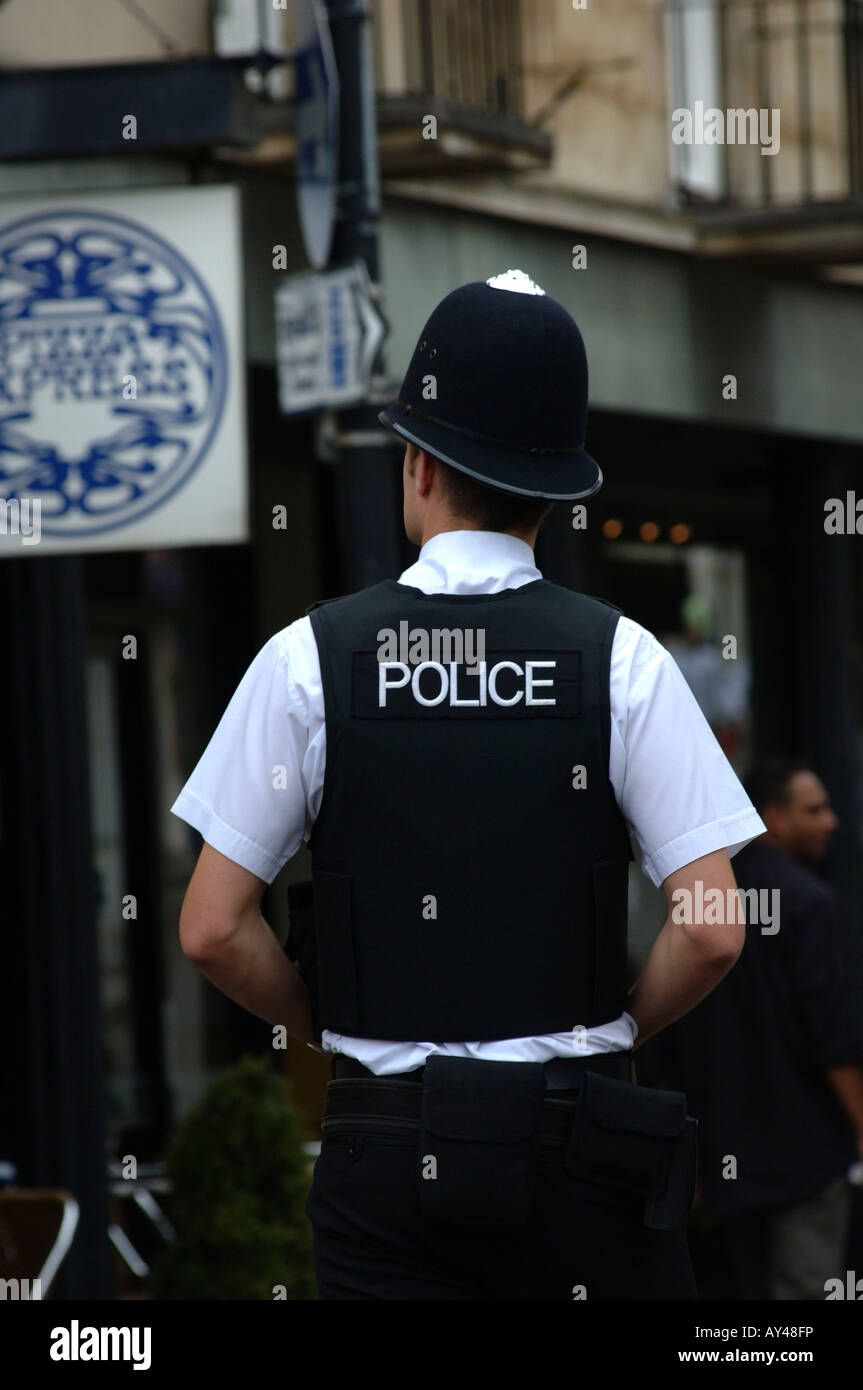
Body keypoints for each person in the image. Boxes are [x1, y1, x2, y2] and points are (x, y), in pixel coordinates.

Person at [171, 269, 764, 1300]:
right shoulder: (619, 659)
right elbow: (712, 924)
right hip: (575, 1143)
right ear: (553, 493)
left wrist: (335, 1022)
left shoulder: (309, 658)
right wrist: (612, 1024)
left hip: (384, 1157)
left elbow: (212, 928)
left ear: (417, 468)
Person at [639, 758, 863, 1299]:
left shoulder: (698, 905)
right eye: (814, 809)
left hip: (724, 1149)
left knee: (744, 1294)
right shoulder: (810, 902)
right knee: (808, 1294)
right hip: (806, 1148)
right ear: (772, 817)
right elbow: (832, 1035)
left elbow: (668, 1040)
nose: (831, 821)